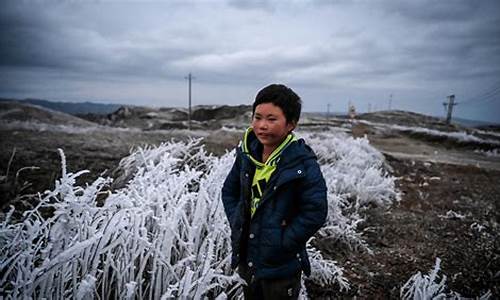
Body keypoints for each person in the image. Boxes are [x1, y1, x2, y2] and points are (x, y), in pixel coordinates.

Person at [221, 84, 328, 299]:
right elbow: (229, 191)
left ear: (291, 124)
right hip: (247, 256)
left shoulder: (302, 162)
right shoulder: (247, 154)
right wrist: (237, 221)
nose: (262, 126)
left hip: (281, 266)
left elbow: (315, 211)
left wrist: (284, 242)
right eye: (257, 117)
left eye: (272, 119)